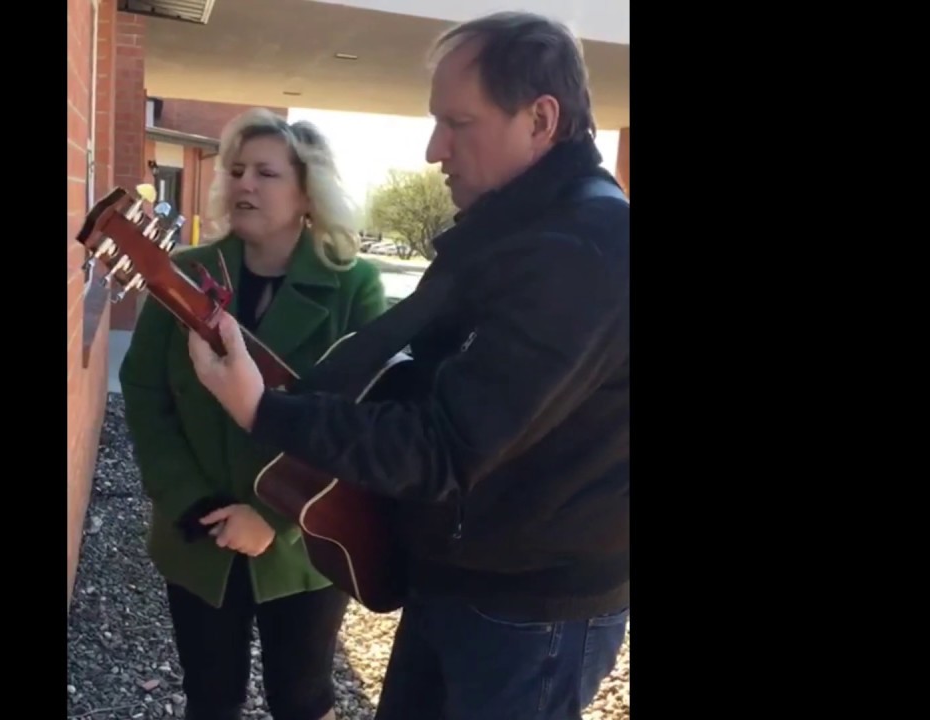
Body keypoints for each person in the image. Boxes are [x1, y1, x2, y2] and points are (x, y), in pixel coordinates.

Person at [184, 12, 629, 720]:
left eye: (458, 123)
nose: (432, 149)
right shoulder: (512, 230)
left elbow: (446, 446)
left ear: (541, 119)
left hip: (531, 612)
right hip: (458, 577)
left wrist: (263, 410)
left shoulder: (583, 251)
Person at [119, 108, 387, 720]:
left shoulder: (355, 288)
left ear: (306, 194)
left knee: (303, 696)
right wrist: (190, 501)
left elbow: (363, 417)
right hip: (199, 532)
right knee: (210, 697)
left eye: (266, 173)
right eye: (236, 169)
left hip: (305, 542)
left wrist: (273, 516)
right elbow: (143, 390)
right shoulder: (185, 274)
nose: (244, 183)